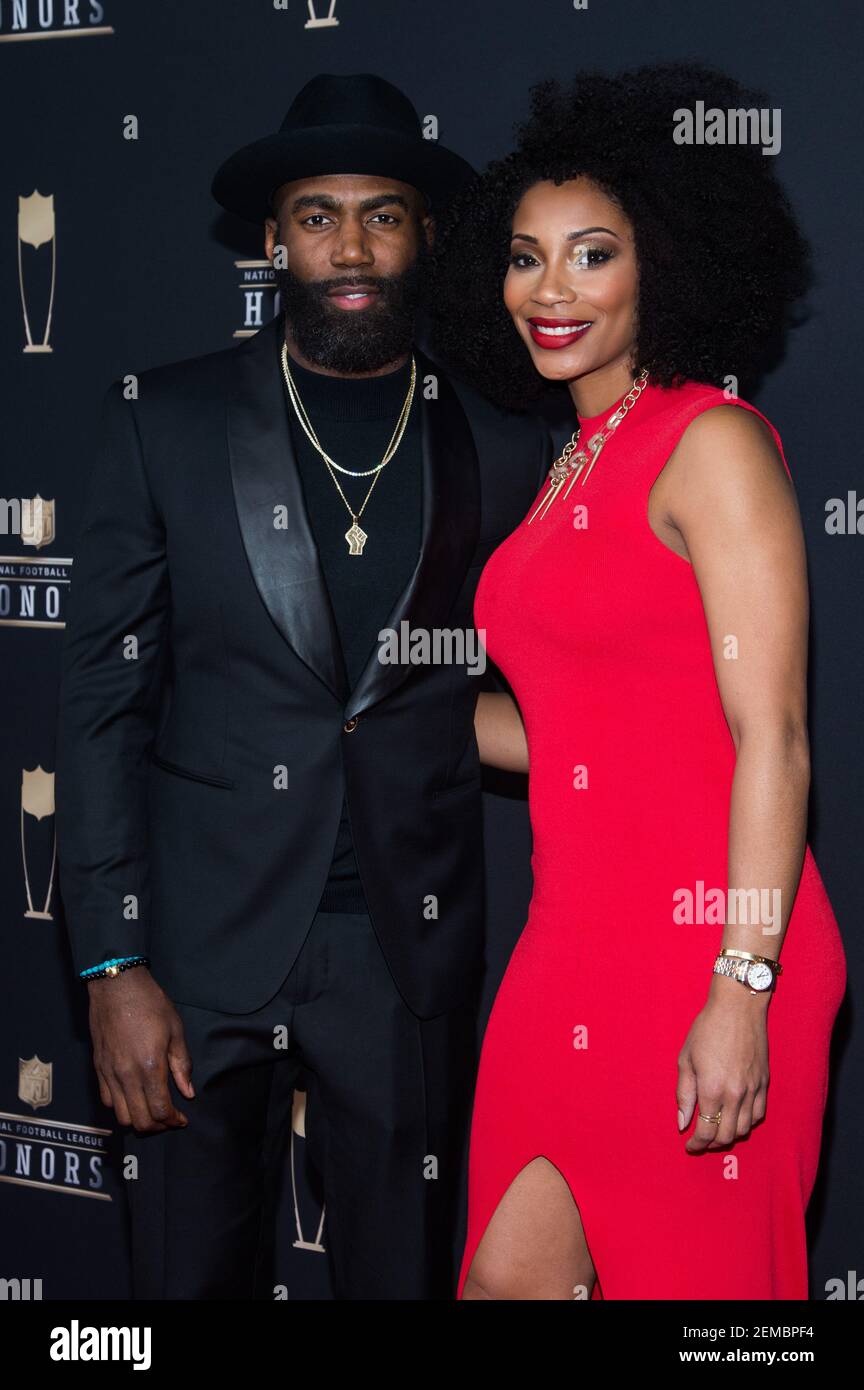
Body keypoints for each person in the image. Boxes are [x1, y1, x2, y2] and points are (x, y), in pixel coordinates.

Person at [54, 72, 551, 1300]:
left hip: (404, 953)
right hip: (196, 953)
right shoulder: (161, 423)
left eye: (382, 214)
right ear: (273, 239)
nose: (351, 245)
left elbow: (554, 679)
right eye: (317, 215)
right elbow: (103, 708)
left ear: (424, 236)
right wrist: (111, 968)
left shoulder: (499, 441)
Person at [429, 63, 847, 1300]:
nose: (548, 289)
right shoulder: (568, 463)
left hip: (708, 951)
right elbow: (565, 727)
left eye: (590, 253)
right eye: (524, 256)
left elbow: (771, 733)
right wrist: (380, 713)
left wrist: (743, 987)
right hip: (564, 948)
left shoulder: (708, 441)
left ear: (664, 262)